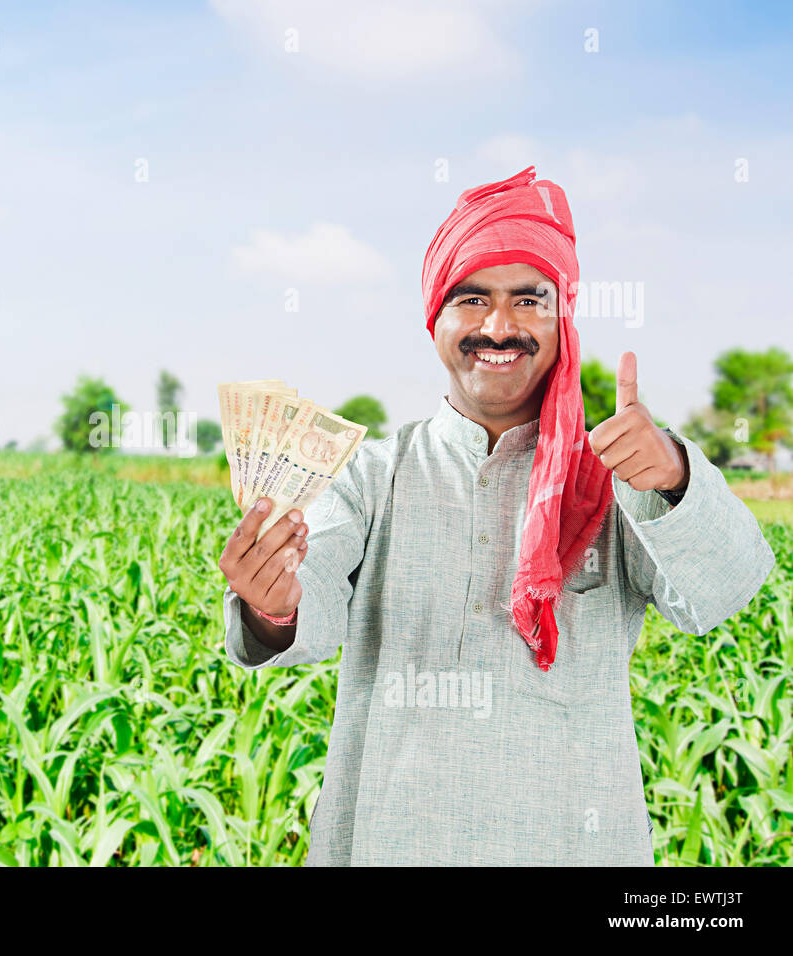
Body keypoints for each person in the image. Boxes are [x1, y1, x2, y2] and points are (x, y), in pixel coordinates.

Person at [217, 166, 776, 866]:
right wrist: (275, 606)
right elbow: (313, 597)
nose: (499, 325)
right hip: (393, 841)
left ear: (562, 317)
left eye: (529, 300)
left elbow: (724, 593)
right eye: (471, 297)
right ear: (436, 319)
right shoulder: (370, 474)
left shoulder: (617, 472)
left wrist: (675, 475)